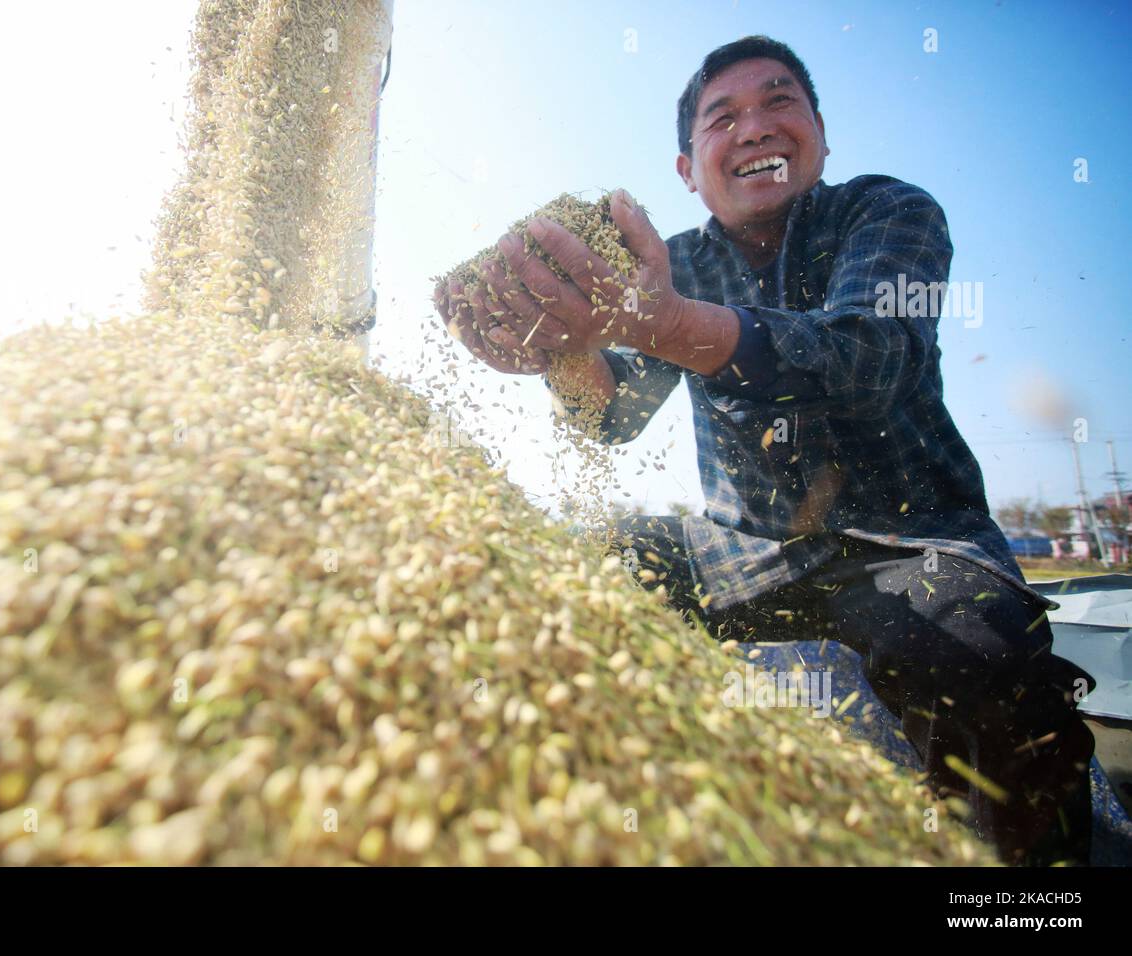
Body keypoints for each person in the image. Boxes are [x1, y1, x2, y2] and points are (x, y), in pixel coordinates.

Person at [432, 35, 1095, 866]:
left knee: (978, 660)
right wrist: (556, 347)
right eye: (724, 118)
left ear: (820, 132)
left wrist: (667, 323)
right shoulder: (676, 263)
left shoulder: (887, 213)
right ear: (687, 167)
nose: (755, 129)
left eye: (780, 103)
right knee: (575, 570)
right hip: (745, 547)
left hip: (907, 537)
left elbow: (869, 354)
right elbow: (614, 417)